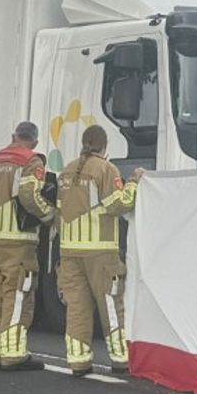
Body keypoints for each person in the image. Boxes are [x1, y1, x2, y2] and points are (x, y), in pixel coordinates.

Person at [56, 126, 144, 376]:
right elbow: (118, 205)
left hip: (69, 251)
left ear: (84, 143)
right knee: (110, 305)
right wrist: (134, 183)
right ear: (105, 147)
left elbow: (60, 209)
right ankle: (120, 360)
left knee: (77, 307)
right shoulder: (106, 169)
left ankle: (78, 361)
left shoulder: (65, 171)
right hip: (100, 252)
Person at [0, 120, 55, 371]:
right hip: (19, 243)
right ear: (35, 142)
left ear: (13, 136)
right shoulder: (31, 161)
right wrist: (49, 215)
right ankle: (13, 354)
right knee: (18, 297)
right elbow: (29, 196)